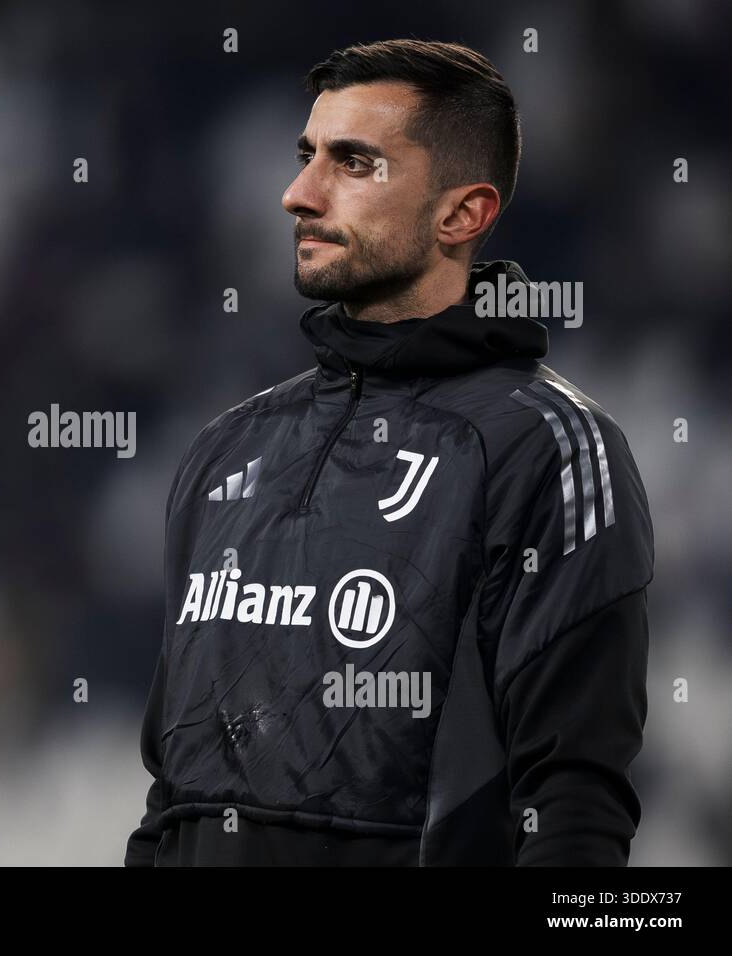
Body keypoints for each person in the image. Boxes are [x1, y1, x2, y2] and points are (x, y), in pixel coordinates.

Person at [125, 39, 654, 866]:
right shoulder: (224, 451)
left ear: (462, 214)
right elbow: (172, 797)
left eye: (354, 163)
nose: (299, 195)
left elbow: (573, 809)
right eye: (306, 157)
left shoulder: (547, 448)